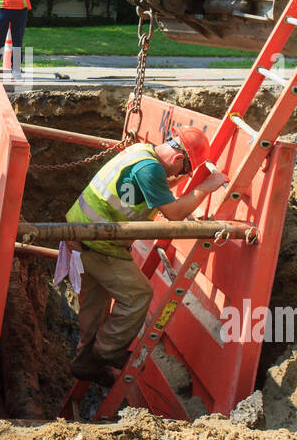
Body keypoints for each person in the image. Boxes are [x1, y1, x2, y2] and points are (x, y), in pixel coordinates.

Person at [64, 127, 227, 385]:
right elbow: (173, 213)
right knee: (139, 295)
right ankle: (106, 352)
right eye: (184, 170)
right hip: (100, 244)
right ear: (177, 159)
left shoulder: (141, 153)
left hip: (79, 235)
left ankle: (84, 362)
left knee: (94, 307)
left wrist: (183, 183)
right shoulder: (149, 170)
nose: (181, 176)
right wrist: (206, 187)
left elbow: (154, 186)